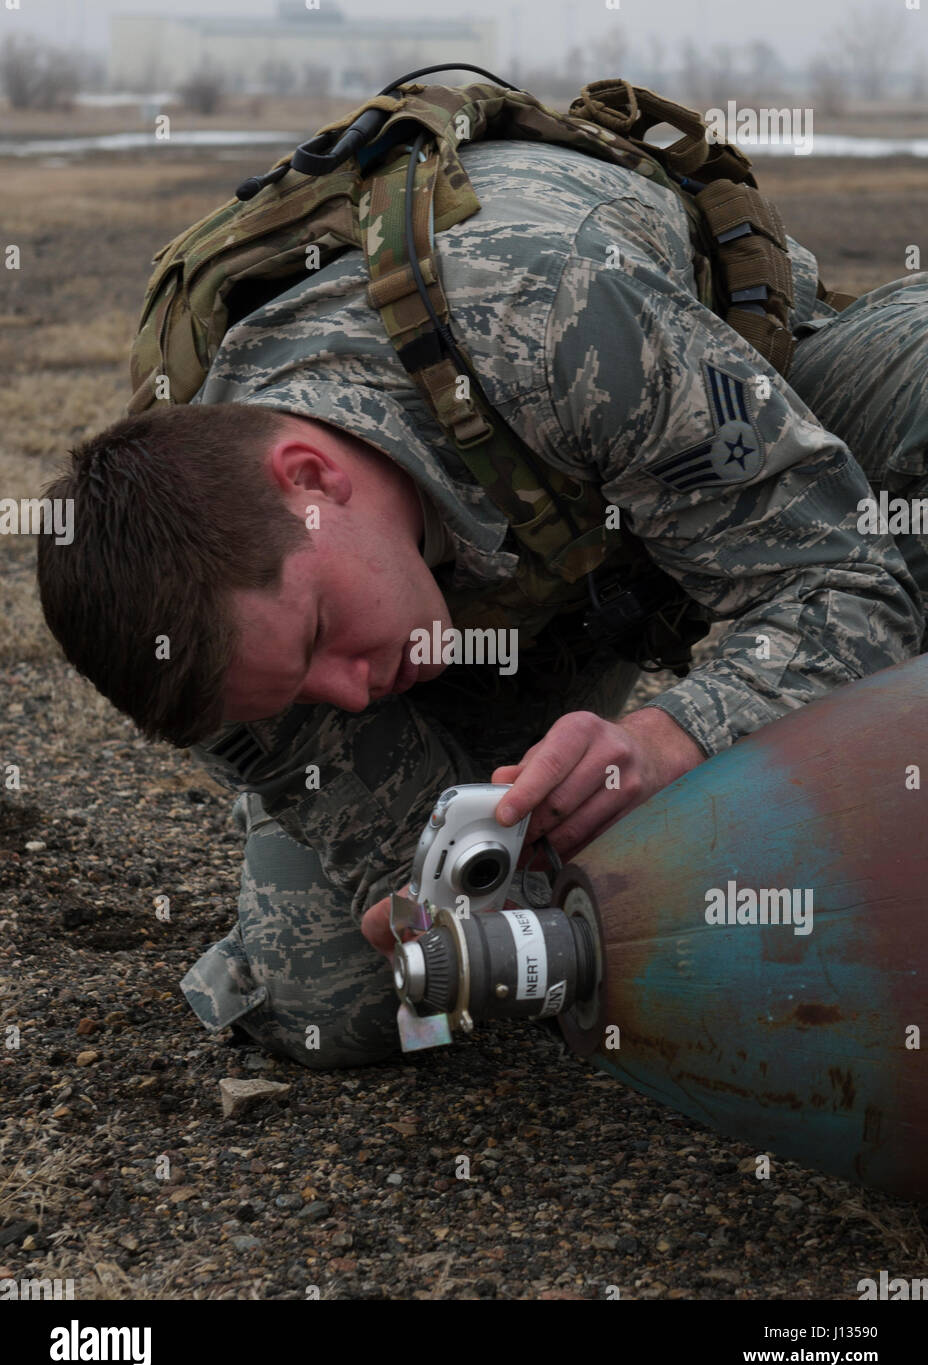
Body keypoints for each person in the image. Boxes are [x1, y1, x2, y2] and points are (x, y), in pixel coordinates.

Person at [36, 138, 924, 1069]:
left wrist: (671, 741)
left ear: (312, 478)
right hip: (524, 613)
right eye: (301, 692)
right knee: (338, 1002)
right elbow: (417, 855)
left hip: (707, 440)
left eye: (323, 636)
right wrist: (445, 889)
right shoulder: (213, 659)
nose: (353, 692)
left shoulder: (555, 317)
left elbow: (843, 583)